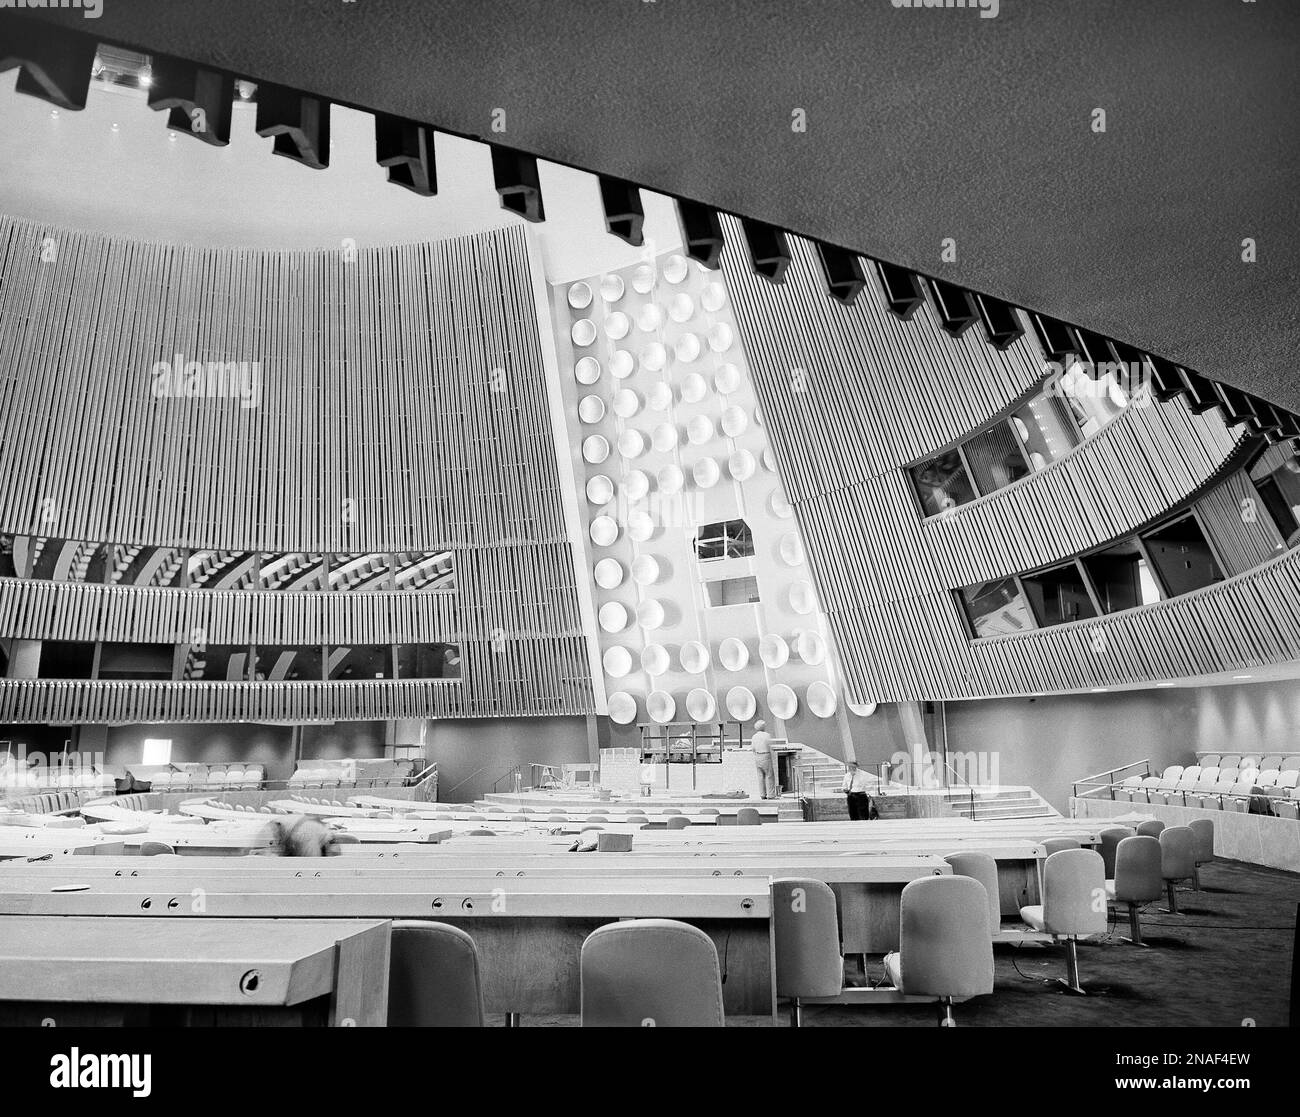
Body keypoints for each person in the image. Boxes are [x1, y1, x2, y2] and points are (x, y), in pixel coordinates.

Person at [750, 720, 778, 799]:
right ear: (763, 727)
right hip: (766, 755)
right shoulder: (767, 735)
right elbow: (771, 746)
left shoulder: (754, 736)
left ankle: (762, 794)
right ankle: (771, 795)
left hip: (757, 757)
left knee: (760, 777)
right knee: (769, 776)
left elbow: (753, 748)